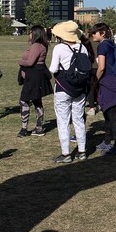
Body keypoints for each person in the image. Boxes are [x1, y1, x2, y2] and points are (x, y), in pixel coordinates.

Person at [48, 21, 90, 163]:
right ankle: (82, 151)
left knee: (63, 121)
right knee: (79, 119)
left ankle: (66, 153)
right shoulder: (82, 48)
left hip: (63, 87)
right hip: (80, 88)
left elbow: (53, 69)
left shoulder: (59, 48)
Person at [92, 22, 116, 155]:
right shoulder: (111, 43)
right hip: (115, 81)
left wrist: (95, 80)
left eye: (95, 32)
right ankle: (107, 141)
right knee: (107, 113)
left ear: (102, 33)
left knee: (112, 115)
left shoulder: (102, 46)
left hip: (109, 83)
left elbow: (101, 67)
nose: (93, 35)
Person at [18, 25, 53, 138]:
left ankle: (24, 128)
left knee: (24, 100)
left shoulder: (36, 45)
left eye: (30, 32)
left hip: (33, 76)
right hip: (38, 74)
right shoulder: (42, 45)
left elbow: (30, 62)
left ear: (35, 34)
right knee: (37, 100)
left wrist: (20, 61)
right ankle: (39, 127)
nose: (29, 34)